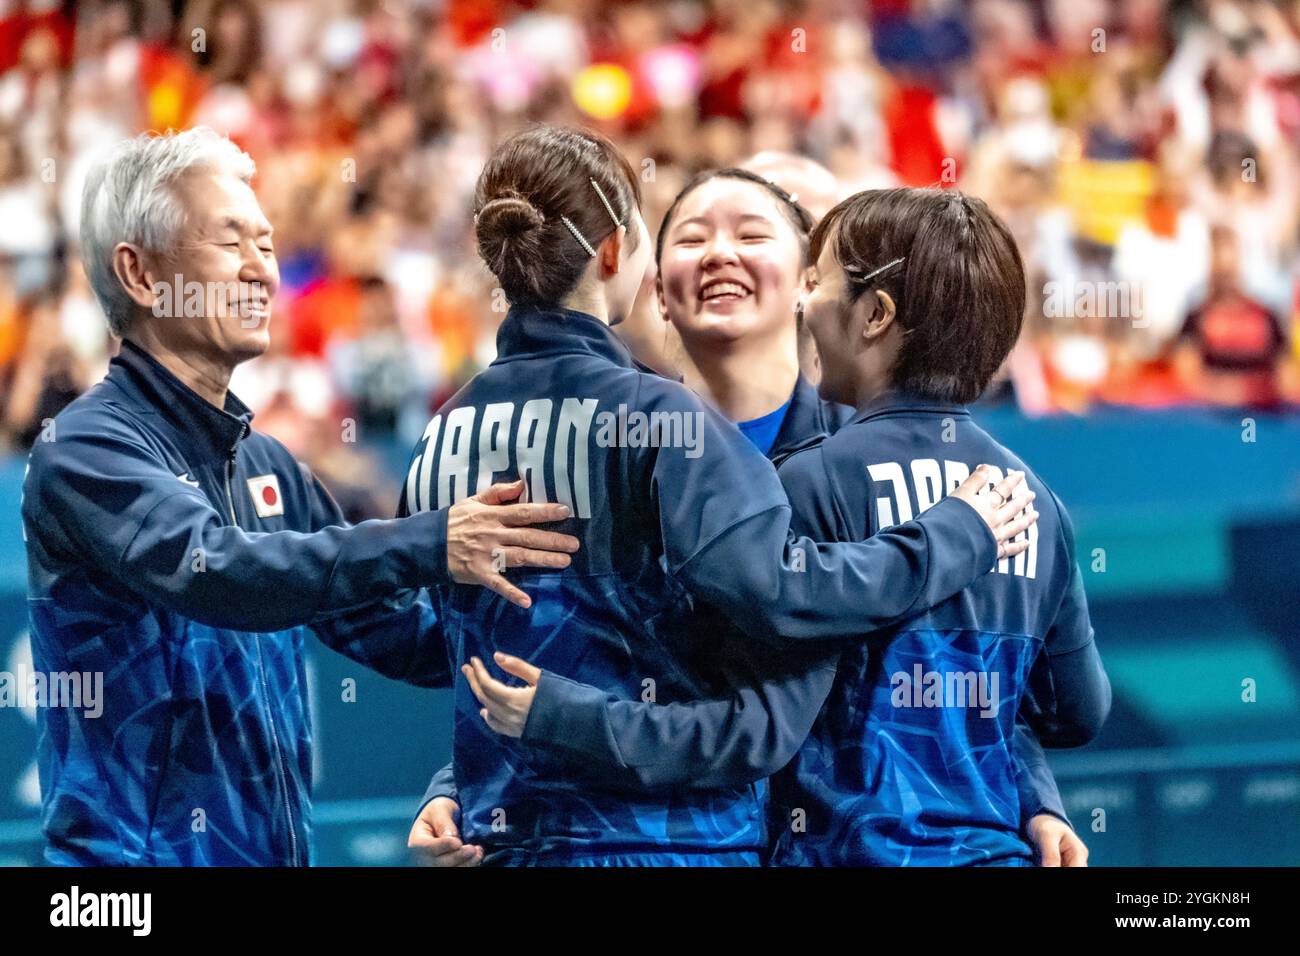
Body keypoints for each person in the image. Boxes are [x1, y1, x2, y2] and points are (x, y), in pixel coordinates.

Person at [399, 124, 1037, 867]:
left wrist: (1034, 797)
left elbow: (972, 671)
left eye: (754, 230)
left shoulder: (885, 463)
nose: (720, 253)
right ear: (652, 284)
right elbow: (543, 644)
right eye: (693, 234)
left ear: (811, 285)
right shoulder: (619, 441)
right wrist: (462, 790)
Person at [21, 128, 579, 866]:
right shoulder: (84, 448)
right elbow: (217, 571)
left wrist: (574, 615)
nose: (263, 271)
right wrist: (432, 540)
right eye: (232, 244)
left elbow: (408, 638)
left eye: (268, 245)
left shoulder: (269, 467)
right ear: (141, 272)